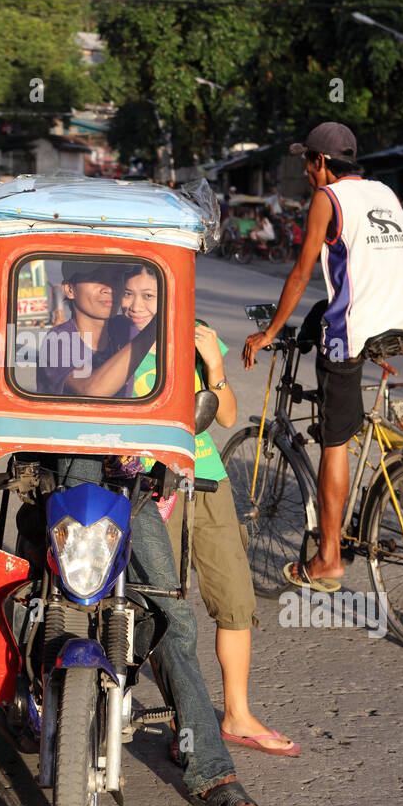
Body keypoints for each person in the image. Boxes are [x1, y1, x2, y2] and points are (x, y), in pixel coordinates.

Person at [117, 271, 298, 757]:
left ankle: (237, 713)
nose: (137, 304)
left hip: (208, 480)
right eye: (129, 294)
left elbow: (227, 417)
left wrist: (215, 364)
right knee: (164, 607)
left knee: (235, 598)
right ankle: (187, 721)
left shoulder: (192, 336)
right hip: (151, 490)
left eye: (149, 294)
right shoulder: (112, 340)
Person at [242, 121, 403, 591]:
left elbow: (302, 272)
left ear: (321, 162)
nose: (306, 172)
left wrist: (270, 331)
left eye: (308, 162)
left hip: (359, 325)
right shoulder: (384, 191)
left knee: (335, 441)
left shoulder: (327, 199)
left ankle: (328, 559)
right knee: (343, 402)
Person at [57, 452, 264, 806]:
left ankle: (209, 766)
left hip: (128, 482)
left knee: (174, 619)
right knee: (44, 591)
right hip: (63, 466)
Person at [35, 261, 146, 397]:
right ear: (70, 289)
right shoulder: (57, 341)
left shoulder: (125, 328)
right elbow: (92, 391)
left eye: (116, 278)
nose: (109, 288)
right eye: (96, 278)